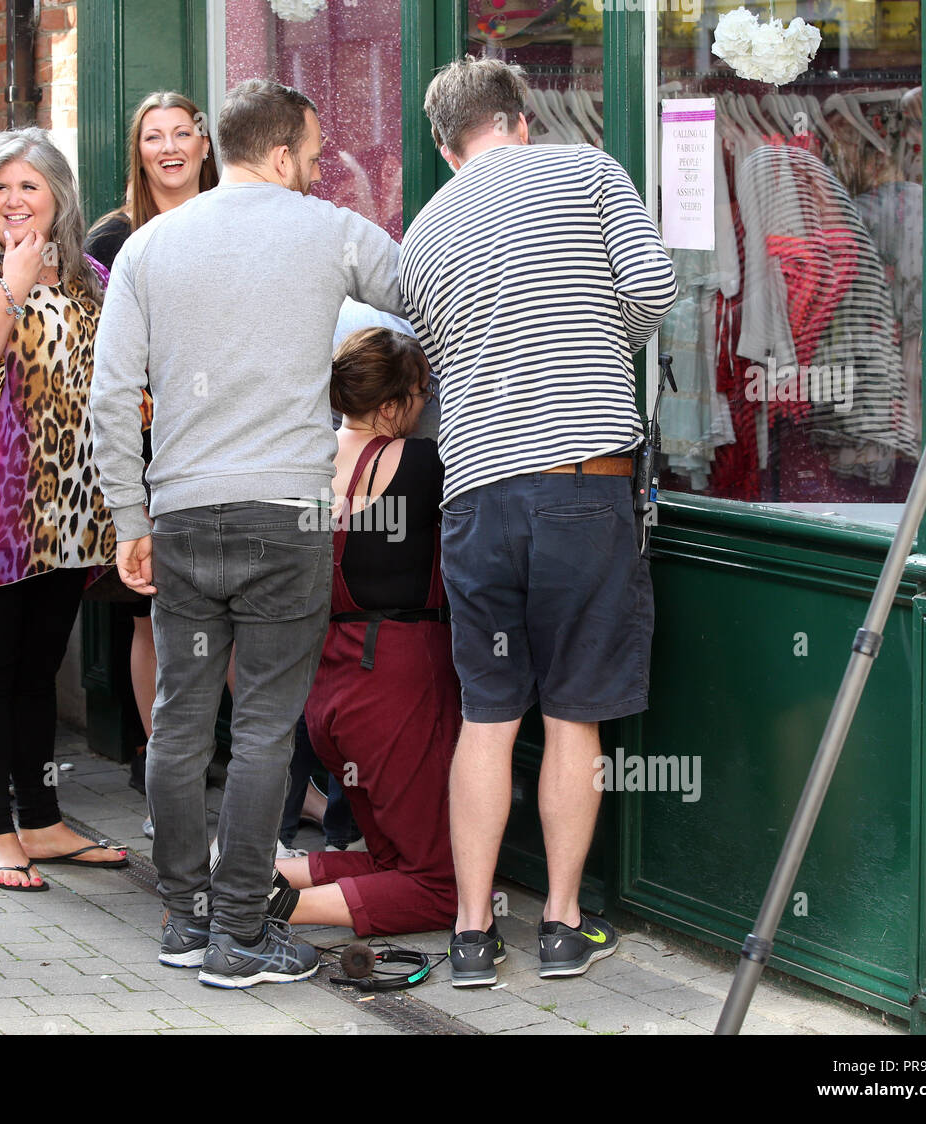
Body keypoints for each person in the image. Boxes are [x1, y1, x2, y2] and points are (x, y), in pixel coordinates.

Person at [92, 78, 406, 988]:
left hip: (185, 511)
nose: (315, 168)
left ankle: (185, 922)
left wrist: (128, 516)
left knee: (183, 722)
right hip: (288, 515)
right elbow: (423, 290)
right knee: (266, 727)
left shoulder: (149, 247)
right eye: (311, 153)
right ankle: (239, 931)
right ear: (280, 153)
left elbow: (112, 398)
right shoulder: (331, 230)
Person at [399, 58, 677, 986]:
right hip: (581, 482)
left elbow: (438, 357)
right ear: (521, 118)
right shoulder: (591, 171)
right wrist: (589, 334)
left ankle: (473, 936)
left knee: (487, 718)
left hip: (475, 497)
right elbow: (655, 293)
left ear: (445, 146)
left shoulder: (423, 233)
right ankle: (560, 923)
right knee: (571, 717)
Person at [0, 127, 128, 888]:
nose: (13, 200)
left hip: (69, 514)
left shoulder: (92, 277)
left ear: (58, 196)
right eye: (0, 188)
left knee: (37, 672)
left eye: (28, 186)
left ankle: (40, 821)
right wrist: (12, 282)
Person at [267, 327, 460, 937]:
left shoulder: (305, 460)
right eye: (421, 393)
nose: (427, 404)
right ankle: (264, 908)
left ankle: (246, 877)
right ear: (389, 406)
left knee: (389, 859)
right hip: (397, 684)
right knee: (440, 888)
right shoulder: (424, 465)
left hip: (325, 689)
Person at [84, 91, 219, 831]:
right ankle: (166, 775)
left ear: (205, 143)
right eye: (152, 137)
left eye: (181, 134)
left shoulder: (236, 219)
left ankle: (259, 769)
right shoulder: (114, 240)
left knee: (233, 623)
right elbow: (103, 366)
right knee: (152, 616)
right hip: (146, 451)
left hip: (229, 442)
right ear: (137, 153)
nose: (168, 149)